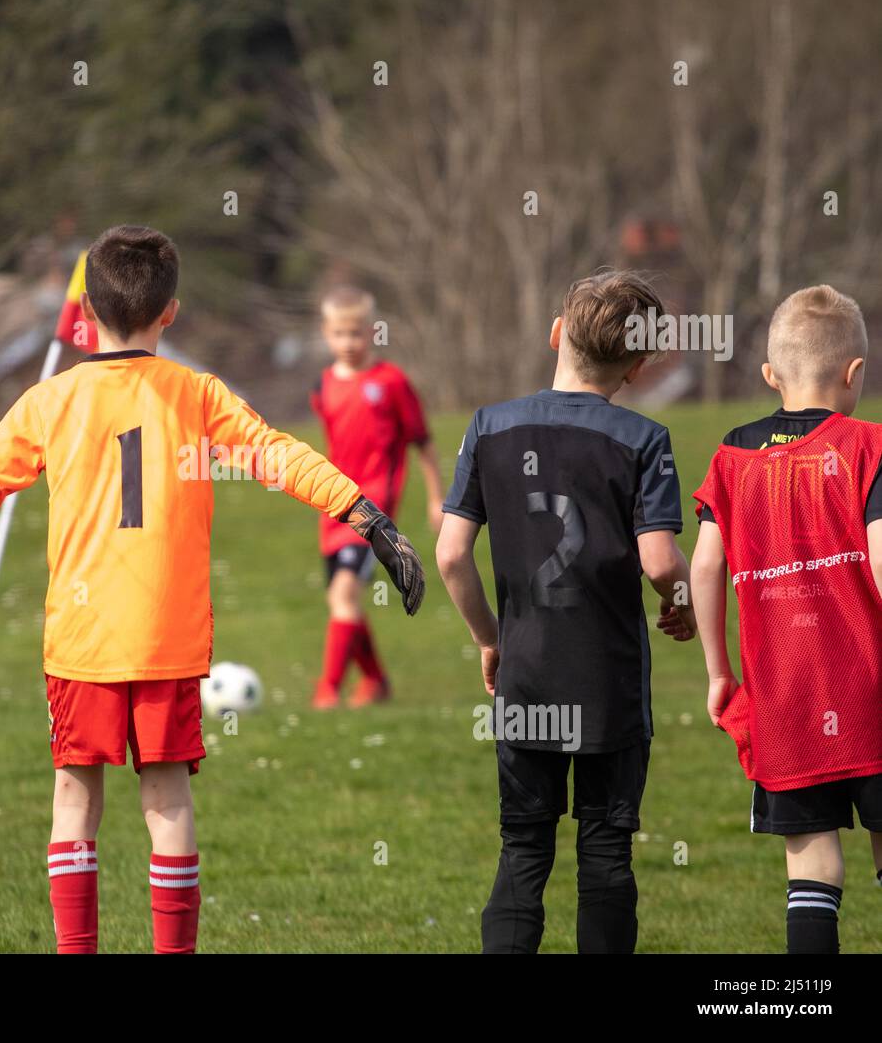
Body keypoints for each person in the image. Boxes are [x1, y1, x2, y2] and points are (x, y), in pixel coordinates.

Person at [0, 225, 425, 954]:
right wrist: (362, 511)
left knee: (74, 795)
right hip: (167, 638)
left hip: (82, 643)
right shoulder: (198, 393)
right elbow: (279, 454)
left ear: (84, 311)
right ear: (171, 312)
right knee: (167, 797)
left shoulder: (51, 400)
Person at [437, 270, 695, 953]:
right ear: (638, 367)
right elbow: (663, 562)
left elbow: (451, 556)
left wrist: (489, 639)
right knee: (606, 856)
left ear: (556, 334)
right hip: (608, 685)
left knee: (522, 852)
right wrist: (681, 606)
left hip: (527, 678)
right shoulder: (643, 441)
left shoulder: (489, 426)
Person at [692, 284, 882, 954]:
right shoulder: (870, 446)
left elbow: (706, 570)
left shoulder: (733, 455)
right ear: (855, 373)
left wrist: (719, 671)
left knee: (811, 866)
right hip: (871, 690)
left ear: (771, 376)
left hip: (785, 701)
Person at [310, 285, 442, 708]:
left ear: (372, 332)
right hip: (331, 504)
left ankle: (327, 691)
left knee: (345, 594)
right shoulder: (323, 386)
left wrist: (435, 497)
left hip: (371, 510)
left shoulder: (391, 382)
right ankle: (377, 681)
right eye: (339, 334)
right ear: (326, 334)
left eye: (356, 333)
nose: (348, 343)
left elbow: (423, 441)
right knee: (340, 601)